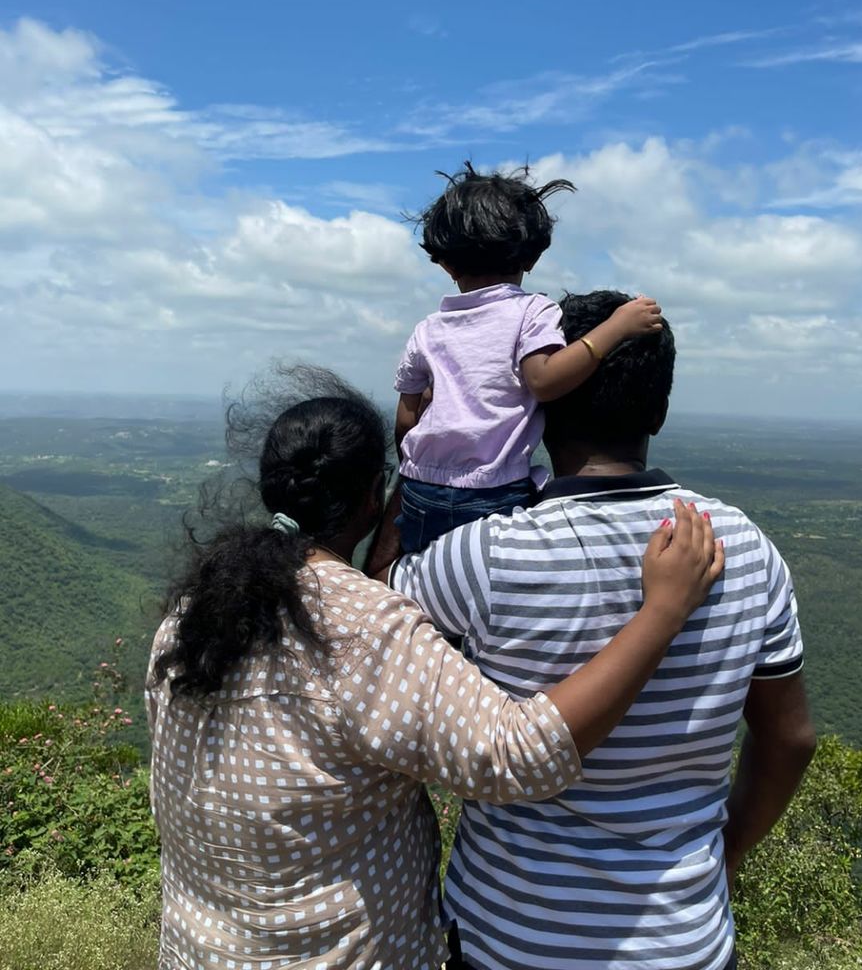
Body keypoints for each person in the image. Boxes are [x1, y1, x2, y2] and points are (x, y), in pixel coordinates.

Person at [146, 365, 723, 970]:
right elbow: (518, 755)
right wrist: (662, 611)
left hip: (199, 949)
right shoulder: (365, 627)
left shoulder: (195, 612)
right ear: (373, 495)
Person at [375, 293, 818, 970]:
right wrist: (725, 857)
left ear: (541, 405)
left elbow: (372, 617)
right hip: (685, 940)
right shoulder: (744, 546)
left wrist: (415, 481)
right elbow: (789, 739)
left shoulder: (485, 555)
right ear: (660, 413)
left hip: (507, 938)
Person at [393, 163, 662, 553]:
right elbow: (545, 381)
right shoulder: (533, 312)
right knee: (490, 580)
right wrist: (617, 327)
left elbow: (406, 421)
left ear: (446, 263)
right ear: (531, 257)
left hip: (421, 487)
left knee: (423, 572)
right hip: (491, 491)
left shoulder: (427, 329)